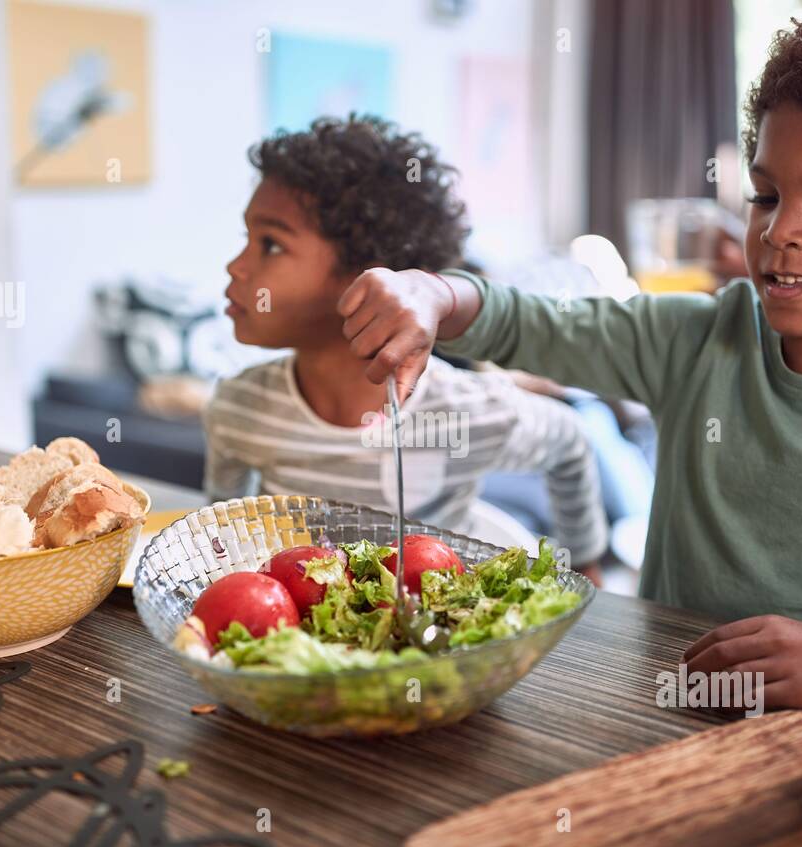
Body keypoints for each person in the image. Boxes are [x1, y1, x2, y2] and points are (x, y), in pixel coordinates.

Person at [333, 0, 802, 709]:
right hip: (657, 728)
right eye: (764, 195)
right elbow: (525, 322)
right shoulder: (700, 339)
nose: (779, 232)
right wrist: (430, 292)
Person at [204, 116, 608, 582]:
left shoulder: (473, 412)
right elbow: (219, 541)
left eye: (270, 244)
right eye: (247, 239)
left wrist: (585, 560)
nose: (235, 266)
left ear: (373, 281)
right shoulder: (238, 407)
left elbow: (571, 443)